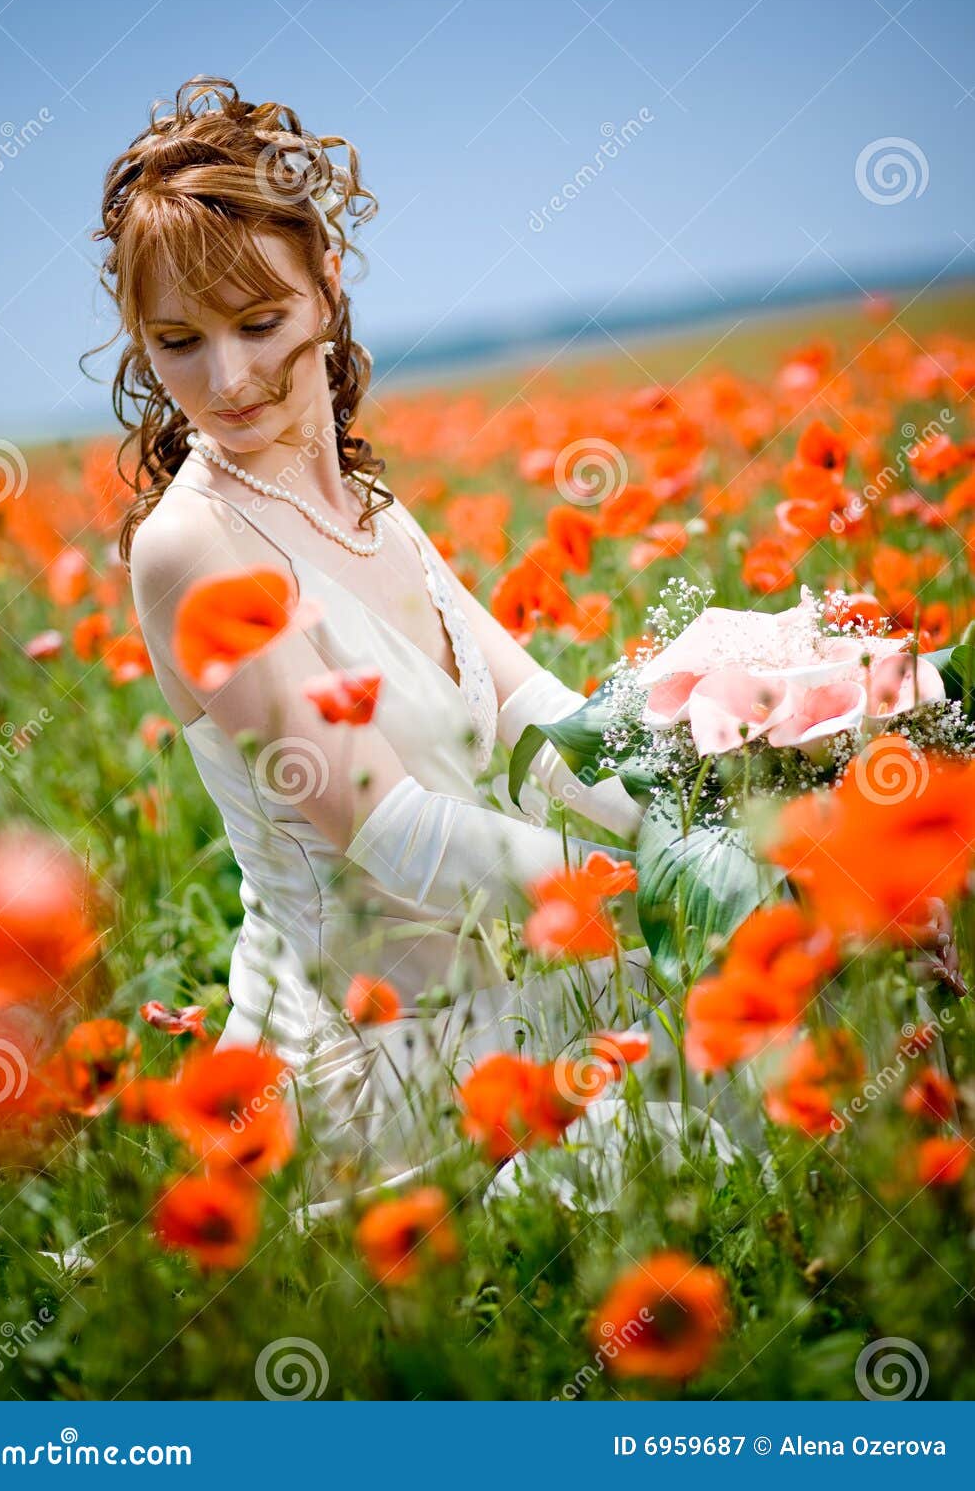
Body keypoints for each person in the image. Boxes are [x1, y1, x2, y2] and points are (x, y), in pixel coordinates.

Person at [99, 76, 644, 1207]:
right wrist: (649, 894)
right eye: (178, 342)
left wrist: (708, 818)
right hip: (371, 1077)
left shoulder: (369, 510)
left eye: (259, 324)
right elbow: (385, 836)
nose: (229, 378)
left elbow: (541, 727)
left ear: (326, 286)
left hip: (503, 992)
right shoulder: (189, 547)